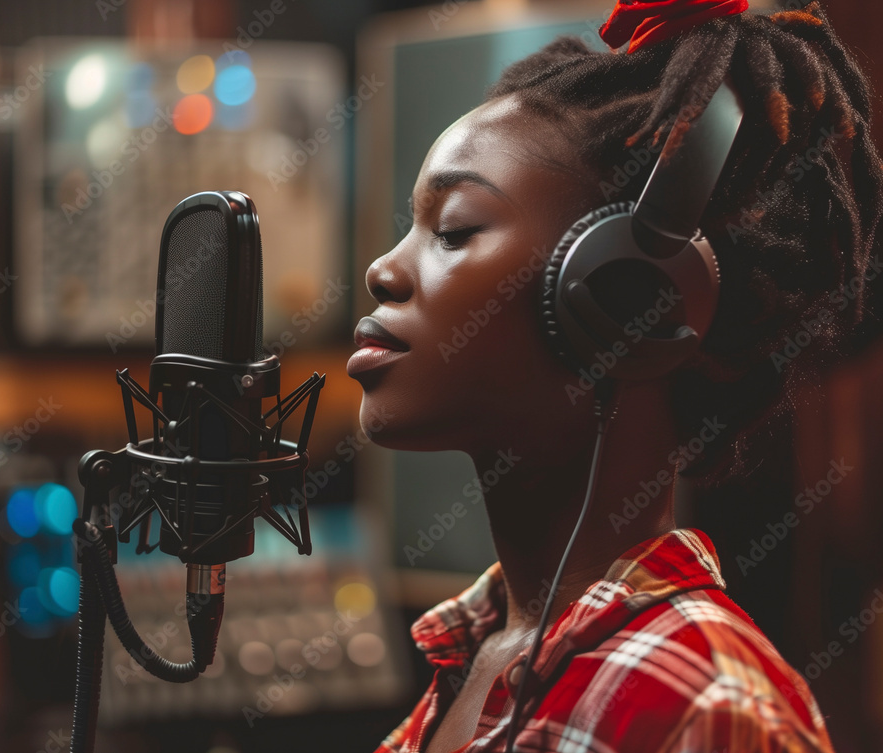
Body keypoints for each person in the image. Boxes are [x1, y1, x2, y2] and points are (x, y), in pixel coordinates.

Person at [346, 1, 882, 751]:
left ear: (628, 294)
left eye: (455, 229)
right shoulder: (472, 656)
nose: (383, 269)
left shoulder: (711, 708)